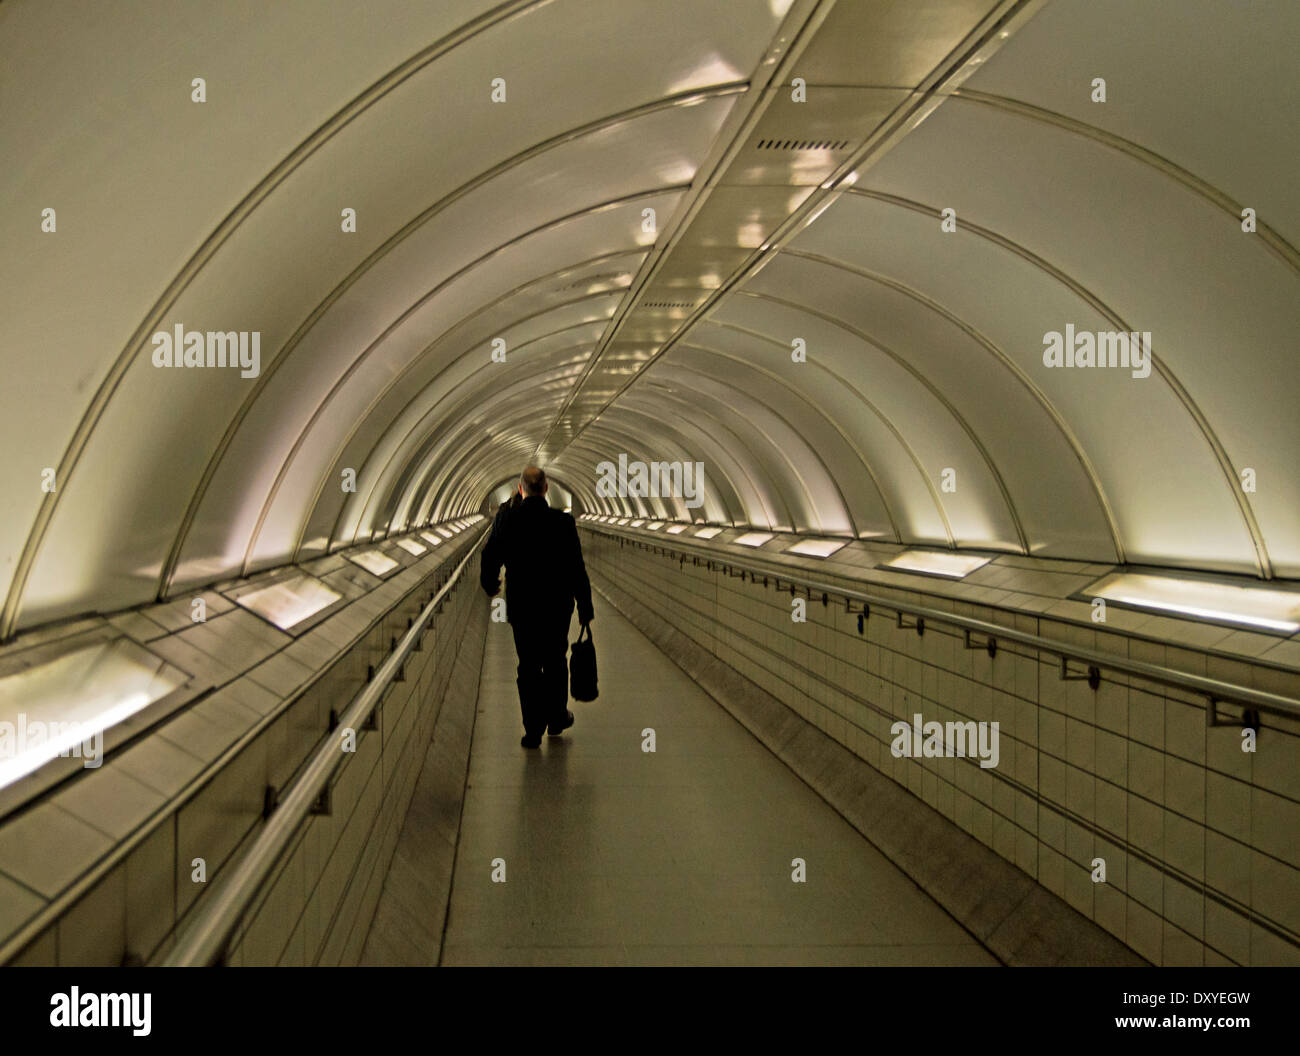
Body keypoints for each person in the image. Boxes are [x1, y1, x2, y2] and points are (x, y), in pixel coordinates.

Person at [480, 466, 595, 748]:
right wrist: (585, 605)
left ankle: (532, 729)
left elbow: (490, 552)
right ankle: (556, 717)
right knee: (556, 659)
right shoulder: (563, 523)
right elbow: (576, 567)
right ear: (545, 489)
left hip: (522, 606)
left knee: (528, 665)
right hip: (557, 605)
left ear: (521, 489)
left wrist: (489, 582)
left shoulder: (507, 519)